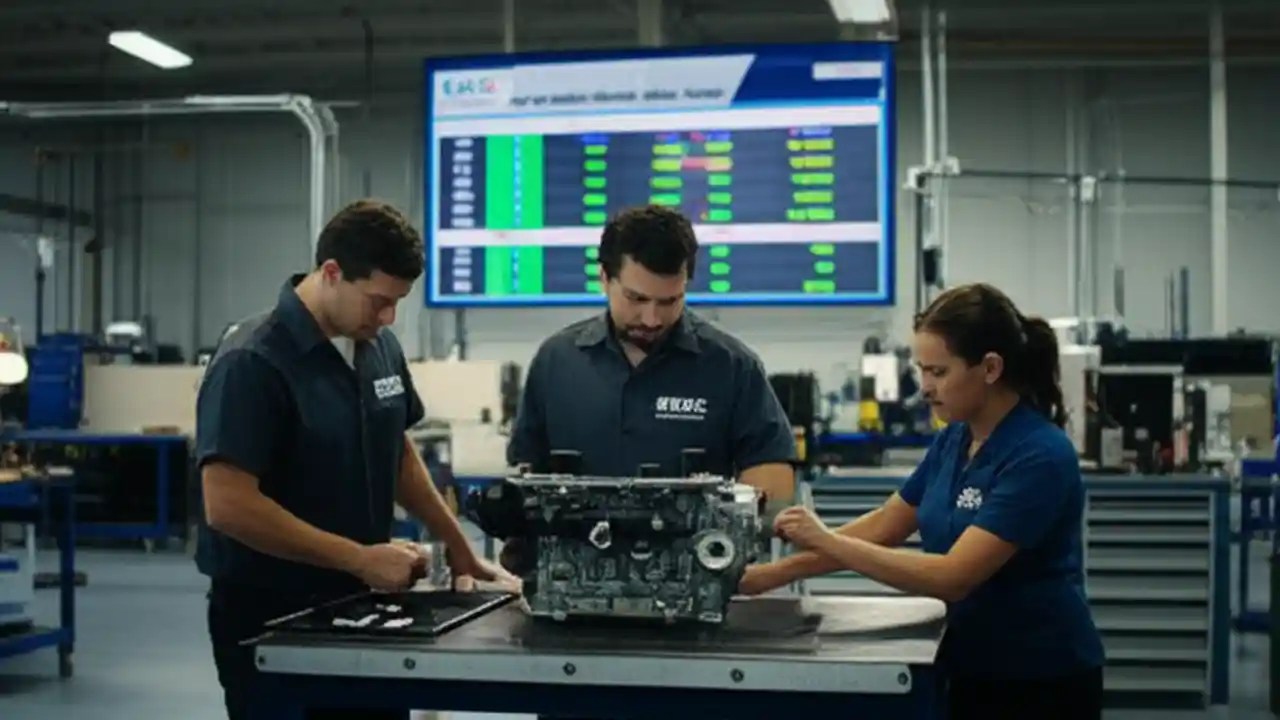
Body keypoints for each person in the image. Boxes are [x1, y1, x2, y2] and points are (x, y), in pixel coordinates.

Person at [195, 199, 505, 720]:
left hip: (365, 602)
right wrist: (359, 558)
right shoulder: (252, 361)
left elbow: (396, 449)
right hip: (271, 611)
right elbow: (227, 505)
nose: (388, 318)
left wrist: (458, 546)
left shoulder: (376, 345)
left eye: (398, 303)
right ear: (332, 273)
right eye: (378, 301)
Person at [741, 283, 1105, 720]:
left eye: (938, 372)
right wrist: (768, 577)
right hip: (966, 664)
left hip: (1038, 679)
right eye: (921, 371)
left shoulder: (1039, 455)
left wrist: (824, 539)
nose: (925, 388)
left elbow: (953, 577)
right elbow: (887, 525)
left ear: (989, 368)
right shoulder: (956, 437)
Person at [506, 203, 797, 502]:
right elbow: (524, 474)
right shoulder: (556, 362)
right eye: (636, 298)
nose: (651, 319)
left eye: (669, 301)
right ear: (605, 278)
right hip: (573, 547)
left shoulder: (733, 367)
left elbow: (770, 476)